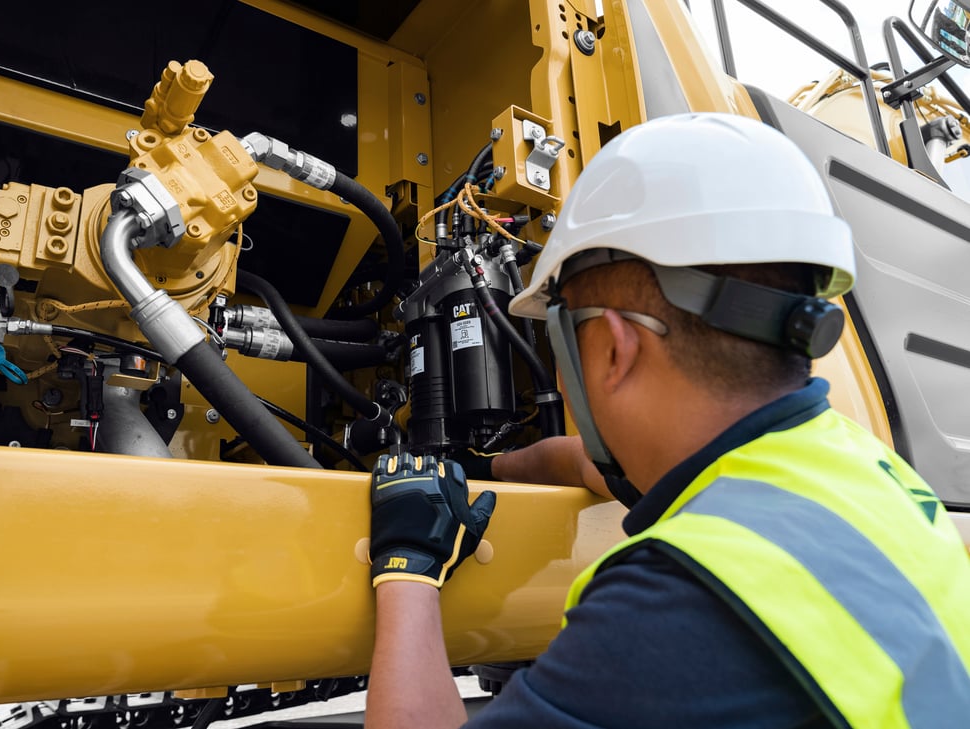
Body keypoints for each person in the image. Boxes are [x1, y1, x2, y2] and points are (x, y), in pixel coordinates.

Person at [363, 112, 970, 728]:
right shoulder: (858, 468)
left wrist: (408, 565)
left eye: (558, 340)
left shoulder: (676, 602)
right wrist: (479, 465)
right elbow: (590, 464)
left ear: (616, 347)